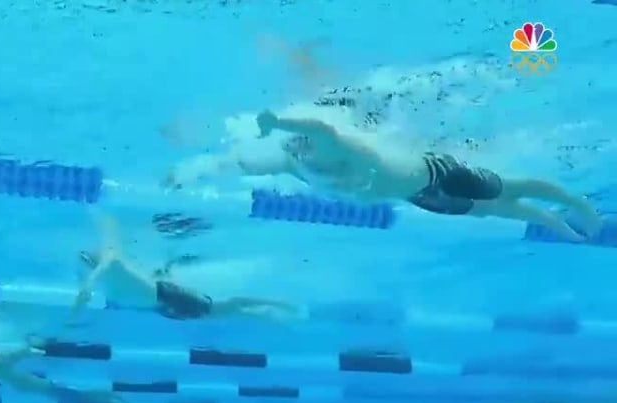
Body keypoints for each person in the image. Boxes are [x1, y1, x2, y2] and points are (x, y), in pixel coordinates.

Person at [164, 110, 604, 242]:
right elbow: (246, 164)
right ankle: (553, 222)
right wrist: (198, 170)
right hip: (420, 196)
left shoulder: (334, 146)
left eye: (298, 142)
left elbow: (320, 128)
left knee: (515, 188)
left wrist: (278, 122)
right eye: (290, 146)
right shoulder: (292, 163)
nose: (298, 149)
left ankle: (579, 204)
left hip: (438, 171)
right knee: (492, 213)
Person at [72, 212, 298, 322]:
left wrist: (77, 309)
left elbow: (104, 259)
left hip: (166, 296)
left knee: (225, 307)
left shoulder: (110, 260)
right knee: (219, 312)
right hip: (160, 304)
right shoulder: (103, 273)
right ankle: (263, 312)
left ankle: (277, 303)